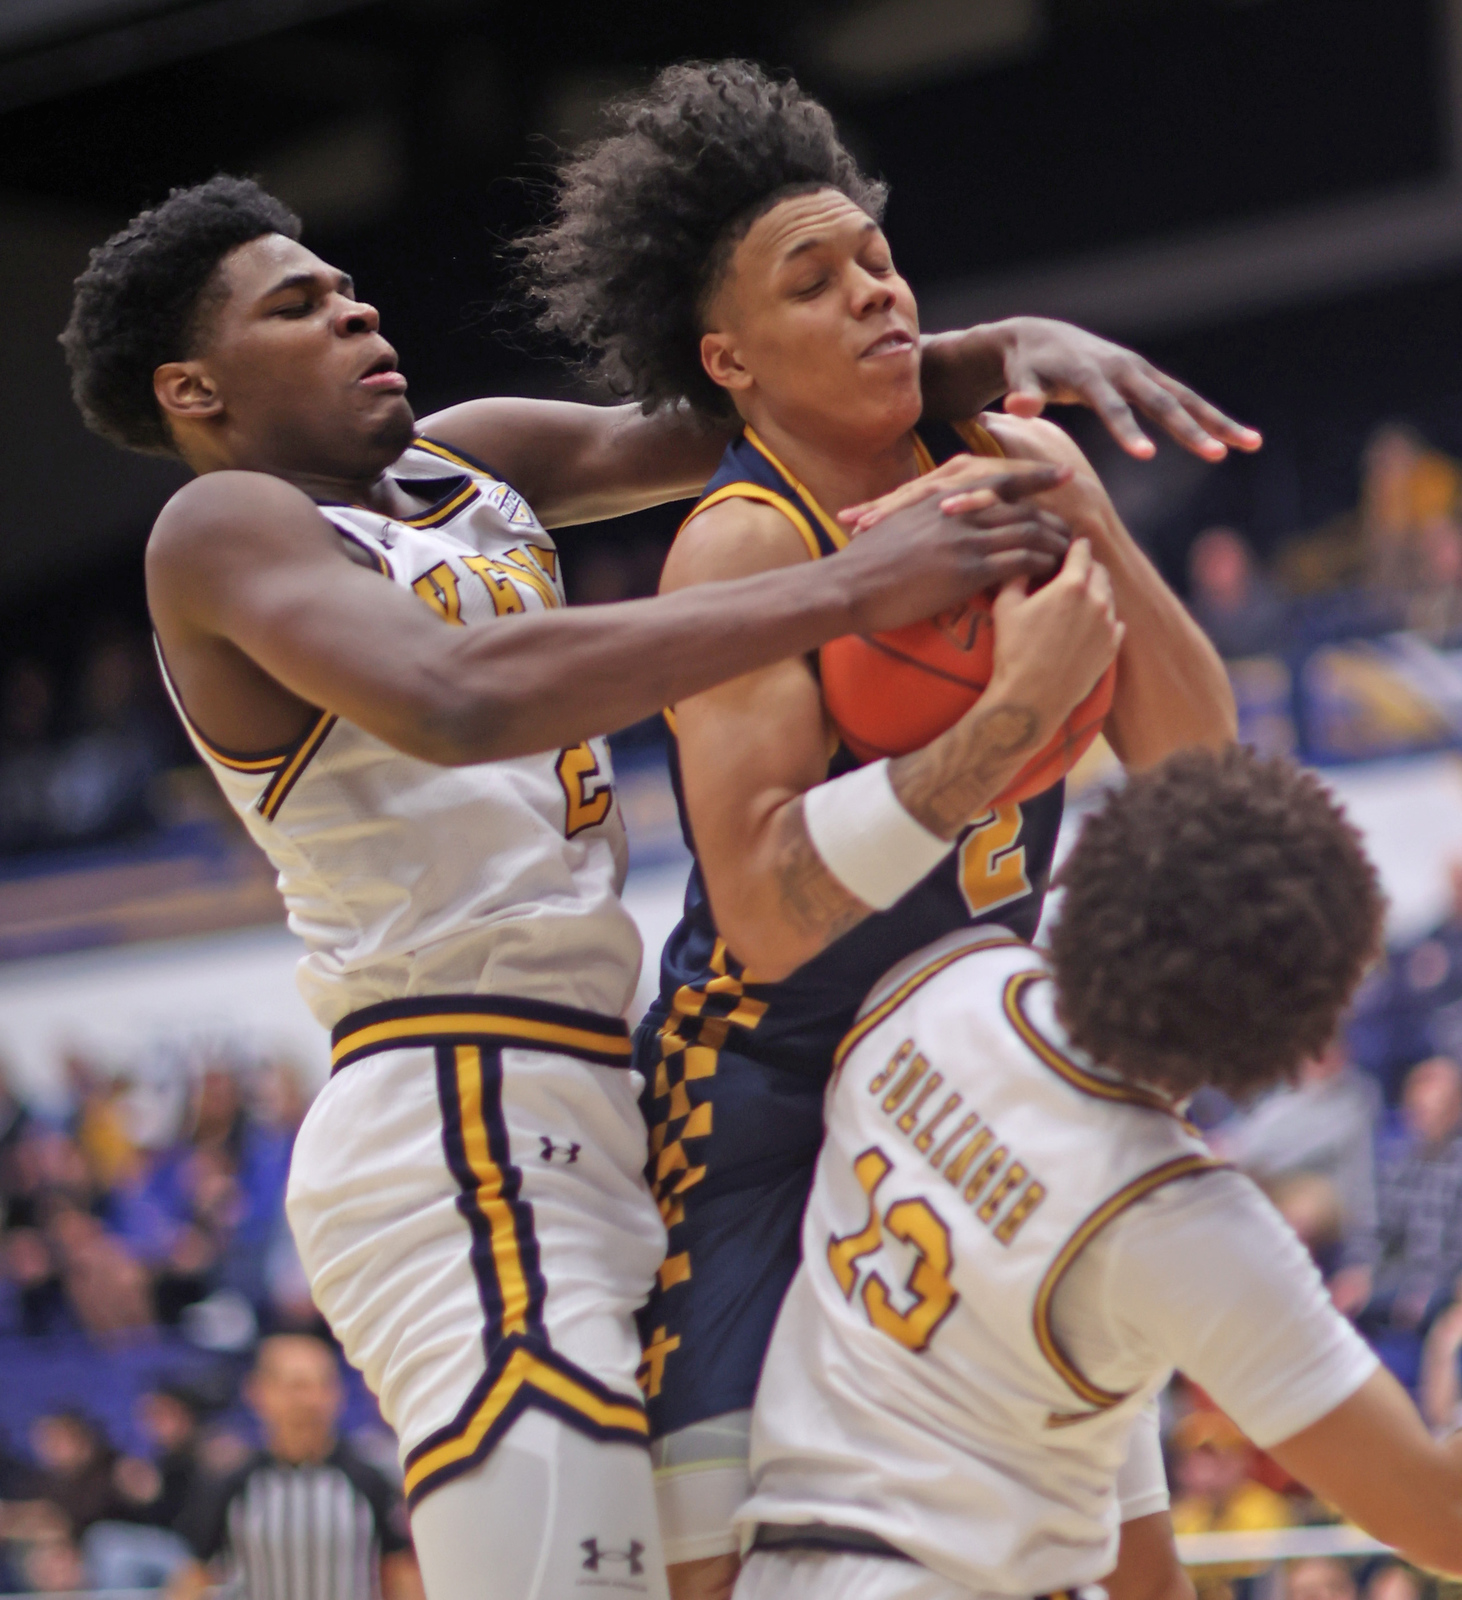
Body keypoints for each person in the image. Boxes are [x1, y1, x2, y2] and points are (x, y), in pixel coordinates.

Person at [61, 170, 1254, 1600]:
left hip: (607, 1104)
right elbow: (451, 694)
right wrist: (852, 587)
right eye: (297, 307)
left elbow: (757, 401)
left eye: (344, 287)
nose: (355, 311)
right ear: (194, 390)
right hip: (449, 1110)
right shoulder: (220, 531)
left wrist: (1000, 349)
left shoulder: (471, 460)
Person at [519, 59, 1243, 1595]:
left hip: (975, 1061)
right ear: (729, 358)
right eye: (814, 280)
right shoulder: (739, 547)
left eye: (877, 259)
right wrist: (1005, 722)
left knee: (1126, 1550)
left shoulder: (1006, 468)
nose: (874, 293)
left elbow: (1194, 765)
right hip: (766, 1095)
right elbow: (768, 912)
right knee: (719, 1567)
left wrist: (1083, 516)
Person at [733, 746, 1462, 1598]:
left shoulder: (944, 980)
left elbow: (1135, 1558)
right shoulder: (1176, 1219)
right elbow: (1442, 1521)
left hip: (782, 1561)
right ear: (1298, 1022)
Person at [169, 1334, 420, 1600]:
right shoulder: (231, 1486)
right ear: (259, 1392)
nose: (311, 1401)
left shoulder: (370, 1483)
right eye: (297, 1387)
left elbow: (400, 1574)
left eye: (323, 1385)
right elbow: (194, 1576)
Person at [1343, 1054, 1462, 1381]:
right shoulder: (1398, 1163)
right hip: (1399, 1284)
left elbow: (1450, 1252)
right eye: (1419, 1110)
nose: (1425, 1118)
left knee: (1437, 1327)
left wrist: (1424, 1291)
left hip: (1445, 1287)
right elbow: (1375, 1230)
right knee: (1343, 1304)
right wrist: (1359, 1269)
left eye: (1437, 1109)